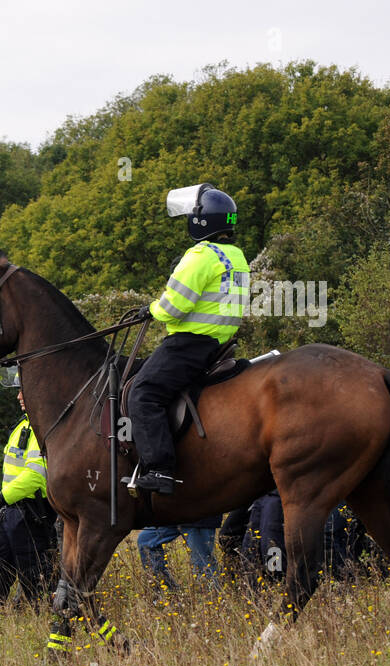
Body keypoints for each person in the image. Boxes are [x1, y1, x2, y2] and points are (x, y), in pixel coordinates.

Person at [129, 183, 250, 495]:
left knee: (143, 392)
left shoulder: (199, 256)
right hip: (220, 345)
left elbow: (173, 307)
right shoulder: (236, 257)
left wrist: (151, 309)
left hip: (189, 345)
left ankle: (159, 469)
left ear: (201, 220)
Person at [0, 383, 57, 616]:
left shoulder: (42, 427)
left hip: (31, 513)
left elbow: (36, 475)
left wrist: (0, 498)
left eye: (24, 390)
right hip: (11, 512)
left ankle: (44, 620)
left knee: (35, 573)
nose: (19, 395)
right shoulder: (24, 425)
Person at [137, 518, 220, 591]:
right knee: (145, 540)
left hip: (199, 516)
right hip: (174, 514)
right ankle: (168, 594)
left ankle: (213, 599)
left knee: (202, 563)